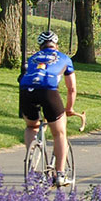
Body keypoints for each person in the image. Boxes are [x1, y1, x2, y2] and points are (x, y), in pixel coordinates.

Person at [19, 30, 79, 187]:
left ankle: (32, 166)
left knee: (32, 126)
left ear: (40, 46)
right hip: (48, 91)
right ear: (56, 45)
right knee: (59, 133)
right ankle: (60, 174)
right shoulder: (64, 59)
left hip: (26, 91)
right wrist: (69, 108)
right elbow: (71, 88)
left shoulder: (32, 58)